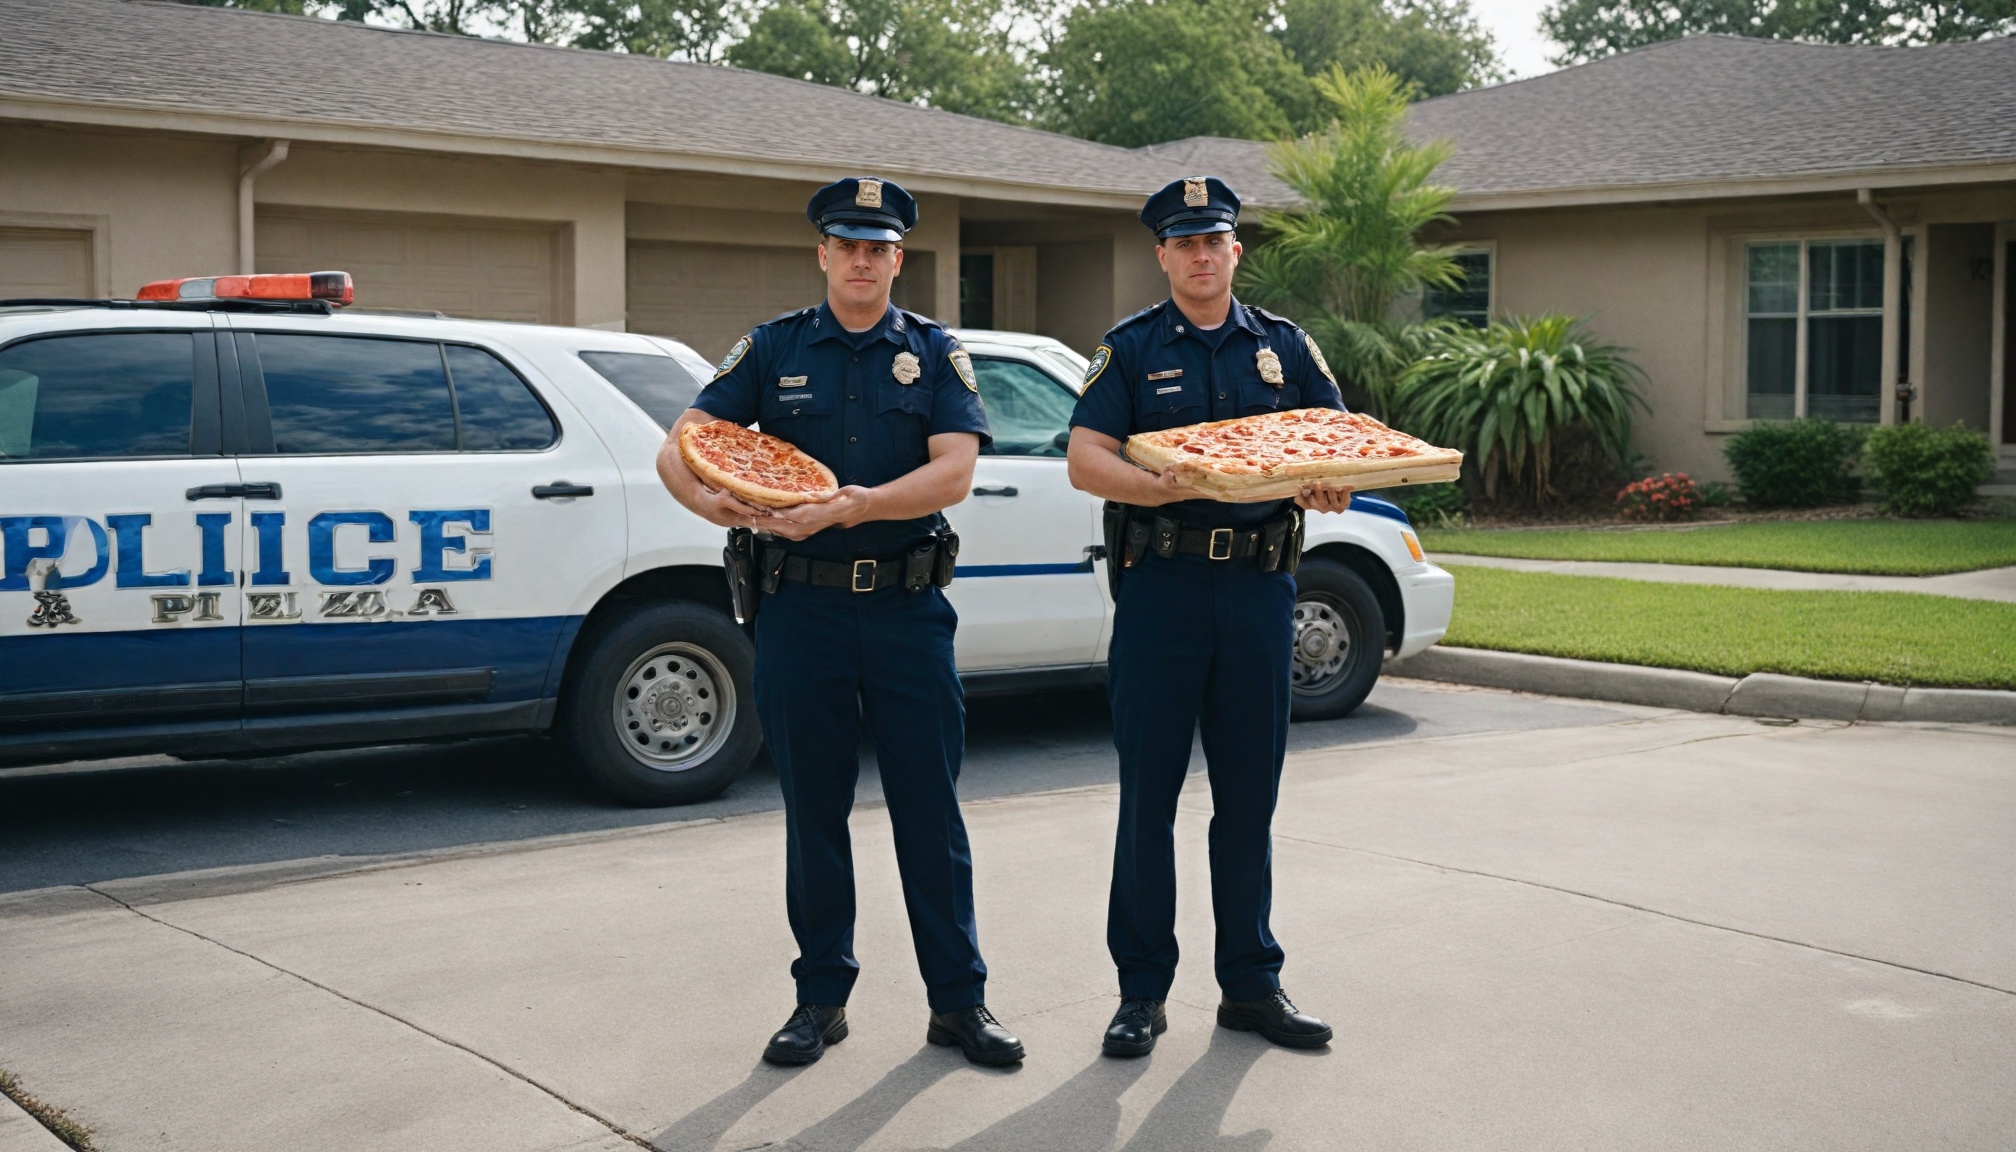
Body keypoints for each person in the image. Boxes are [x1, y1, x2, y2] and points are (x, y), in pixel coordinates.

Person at [655, 176, 1023, 1068]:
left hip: (905, 607)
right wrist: (710, 505)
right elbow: (683, 439)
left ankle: (958, 1003)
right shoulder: (772, 346)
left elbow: (954, 472)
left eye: (879, 247)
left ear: (899, 258)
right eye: (847, 245)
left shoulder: (935, 352)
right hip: (800, 609)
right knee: (813, 810)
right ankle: (820, 998)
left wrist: (851, 509)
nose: (862, 260)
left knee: (929, 811)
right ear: (823, 253)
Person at [1065, 175, 1351, 1057]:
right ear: (1162, 256)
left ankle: (1252, 986)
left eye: (1213, 240)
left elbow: (1335, 441)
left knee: (1248, 798)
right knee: (1149, 797)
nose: (1199, 255)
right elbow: (1084, 457)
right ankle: (1141, 992)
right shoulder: (1130, 347)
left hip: (1262, 590)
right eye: (1183, 242)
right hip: (1163, 591)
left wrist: (1335, 482)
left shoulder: (1286, 349)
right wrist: (1149, 486)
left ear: (1236, 251)